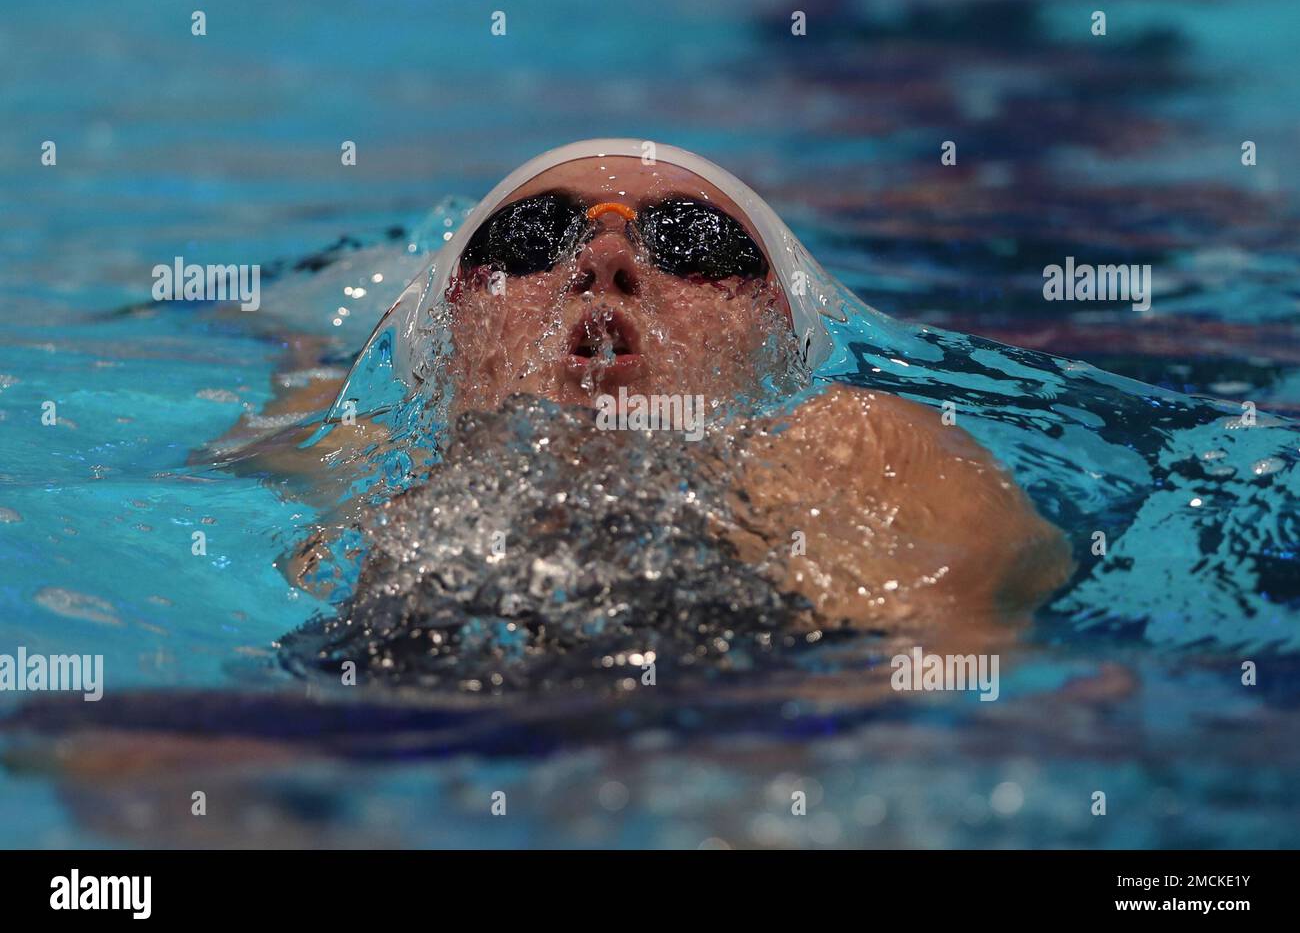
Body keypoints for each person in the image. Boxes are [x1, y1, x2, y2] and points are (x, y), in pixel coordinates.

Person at [242, 141, 1072, 640]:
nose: (605, 263)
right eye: (533, 236)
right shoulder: (346, 453)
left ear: (779, 326)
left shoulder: (856, 448)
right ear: (451, 319)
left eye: (695, 242)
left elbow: (943, 709)